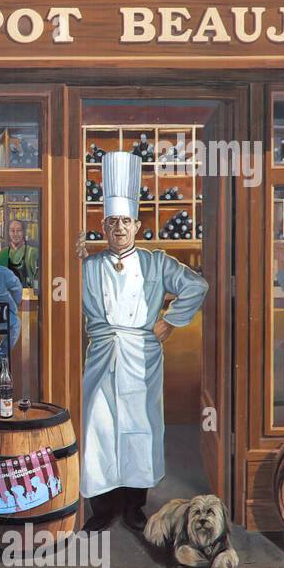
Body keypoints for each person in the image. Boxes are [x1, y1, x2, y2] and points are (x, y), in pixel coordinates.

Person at [74, 152, 209, 534]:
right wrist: (71, 259)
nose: (119, 228)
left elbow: (197, 285)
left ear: (137, 225)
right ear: (103, 226)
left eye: (126, 221)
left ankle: (134, 506)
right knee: (99, 427)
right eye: (112, 222)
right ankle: (102, 507)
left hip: (142, 356)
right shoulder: (89, 266)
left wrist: (170, 321)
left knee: (139, 427)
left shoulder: (156, 263)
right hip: (101, 355)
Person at [0, 218, 39, 289]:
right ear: (8, 232)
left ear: (24, 232)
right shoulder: (2, 254)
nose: (15, 234)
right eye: (12, 231)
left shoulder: (33, 252)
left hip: (28, 296)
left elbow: (38, 279)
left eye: (19, 231)